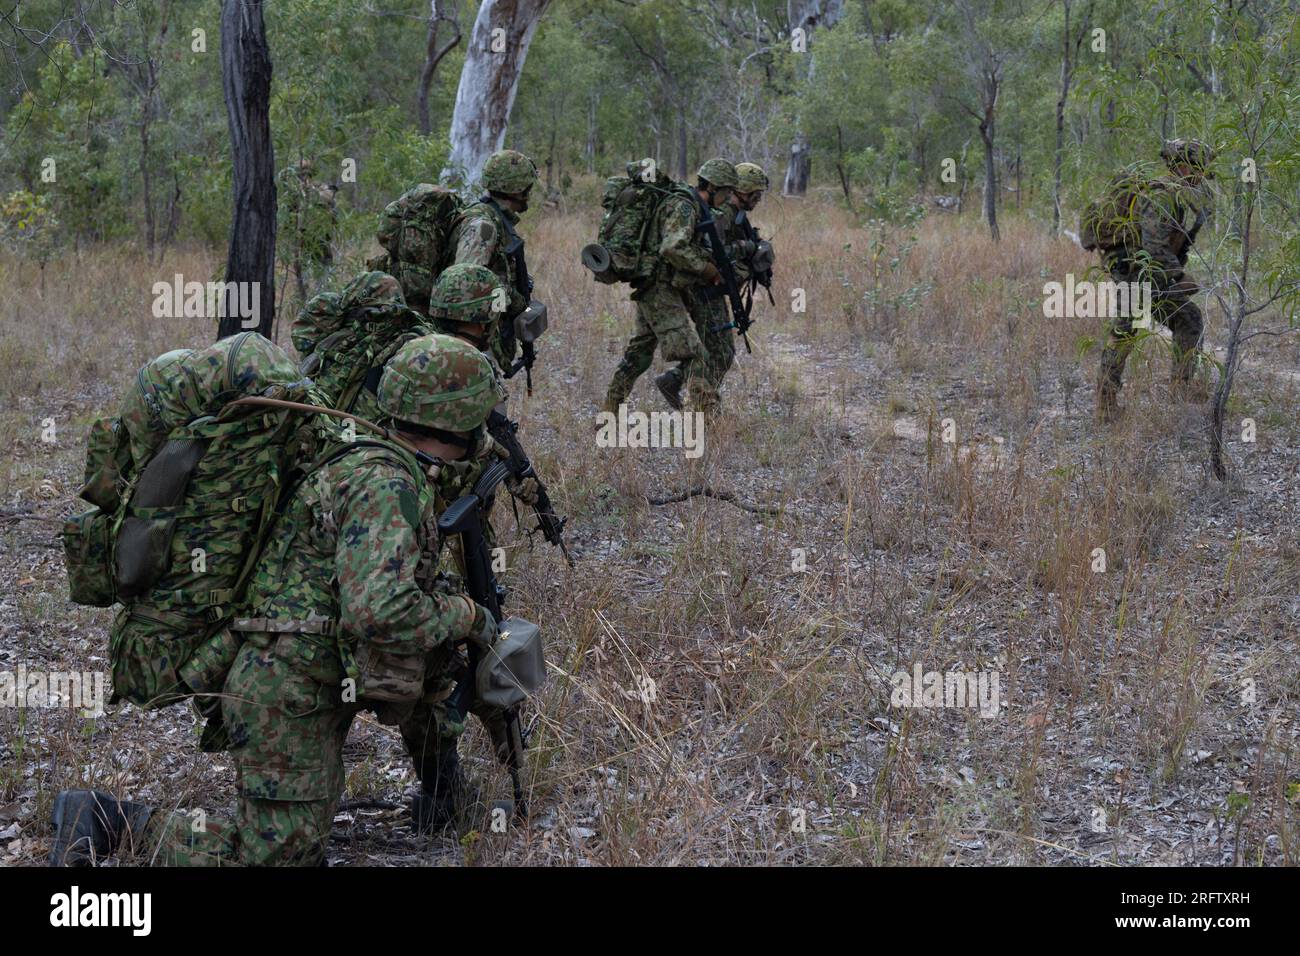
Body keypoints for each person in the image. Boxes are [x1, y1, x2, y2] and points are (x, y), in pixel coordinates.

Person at [49, 334, 505, 866]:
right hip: (285, 690)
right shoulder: (386, 486)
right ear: (459, 422)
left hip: (306, 671)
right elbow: (379, 611)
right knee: (276, 857)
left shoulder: (367, 452)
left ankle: (446, 794)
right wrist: (468, 615)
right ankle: (106, 820)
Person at [602, 158, 738, 415]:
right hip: (658, 288)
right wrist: (708, 270)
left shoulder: (691, 203)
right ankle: (709, 418)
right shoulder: (685, 205)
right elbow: (673, 247)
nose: (728, 197)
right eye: (726, 191)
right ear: (712, 187)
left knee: (640, 353)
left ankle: (608, 410)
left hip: (656, 286)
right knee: (694, 354)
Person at [1096, 139, 1215, 422]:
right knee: (1133, 329)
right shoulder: (1162, 196)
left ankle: (1175, 389)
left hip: (1141, 271)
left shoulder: (1172, 195)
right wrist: (1178, 275)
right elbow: (1153, 245)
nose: (1200, 178)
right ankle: (1108, 403)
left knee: (1176, 320)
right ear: (1184, 167)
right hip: (1136, 272)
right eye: (1198, 170)